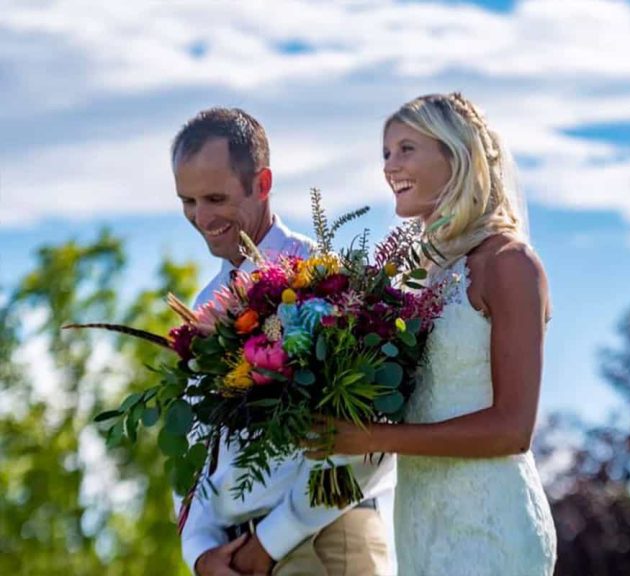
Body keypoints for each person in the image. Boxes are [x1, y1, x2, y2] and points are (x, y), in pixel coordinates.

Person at [309, 93, 557, 575]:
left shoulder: (509, 264)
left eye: (406, 149)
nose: (389, 166)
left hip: (489, 522)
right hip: (419, 519)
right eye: (386, 153)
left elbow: (513, 430)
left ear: (456, 155)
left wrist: (372, 437)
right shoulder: (417, 279)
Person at [171, 107, 395, 576]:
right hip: (235, 555)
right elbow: (196, 444)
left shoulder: (330, 284)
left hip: (325, 544)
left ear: (262, 183)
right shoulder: (205, 305)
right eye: (188, 201)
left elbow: (367, 446)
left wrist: (269, 542)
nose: (201, 217)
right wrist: (200, 550)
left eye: (215, 198)